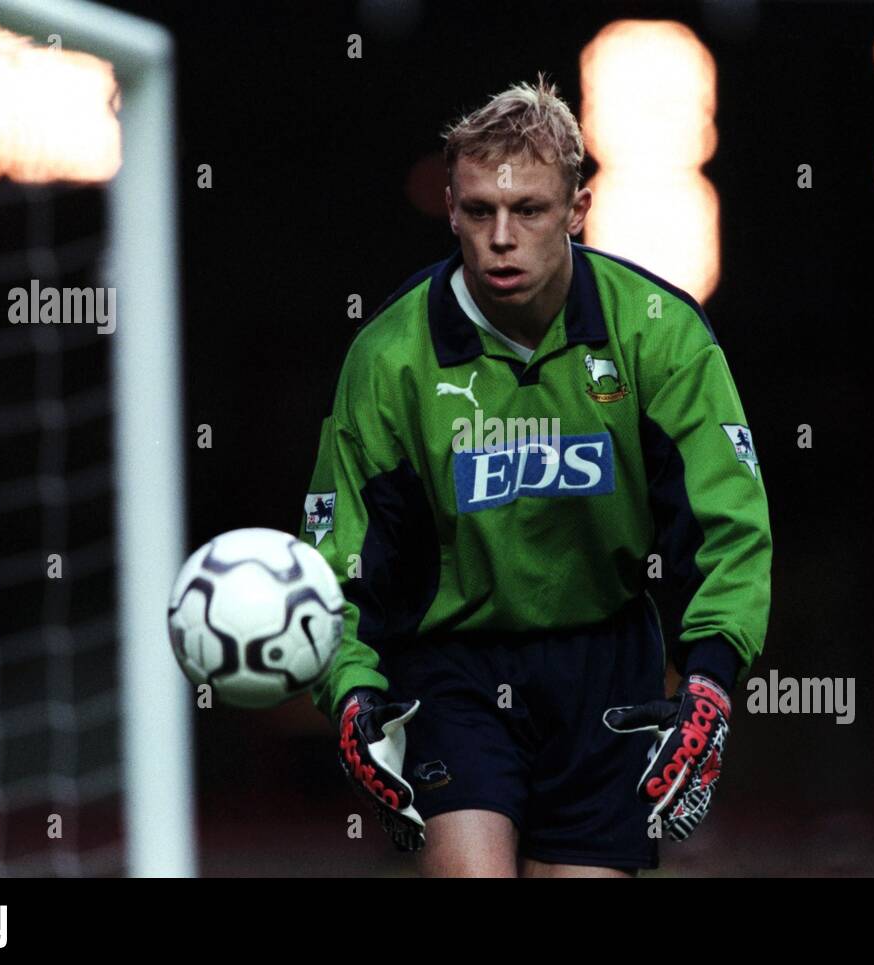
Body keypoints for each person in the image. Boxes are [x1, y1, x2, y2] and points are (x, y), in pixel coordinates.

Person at [302, 74, 771, 877]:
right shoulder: (388, 358)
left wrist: (713, 680)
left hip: (607, 668)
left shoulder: (661, 337)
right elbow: (343, 554)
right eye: (479, 210)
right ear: (451, 211)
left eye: (529, 210)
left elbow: (730, 527)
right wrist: (350, 691)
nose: (501, 237)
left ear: (578, 212)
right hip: (453, 666)